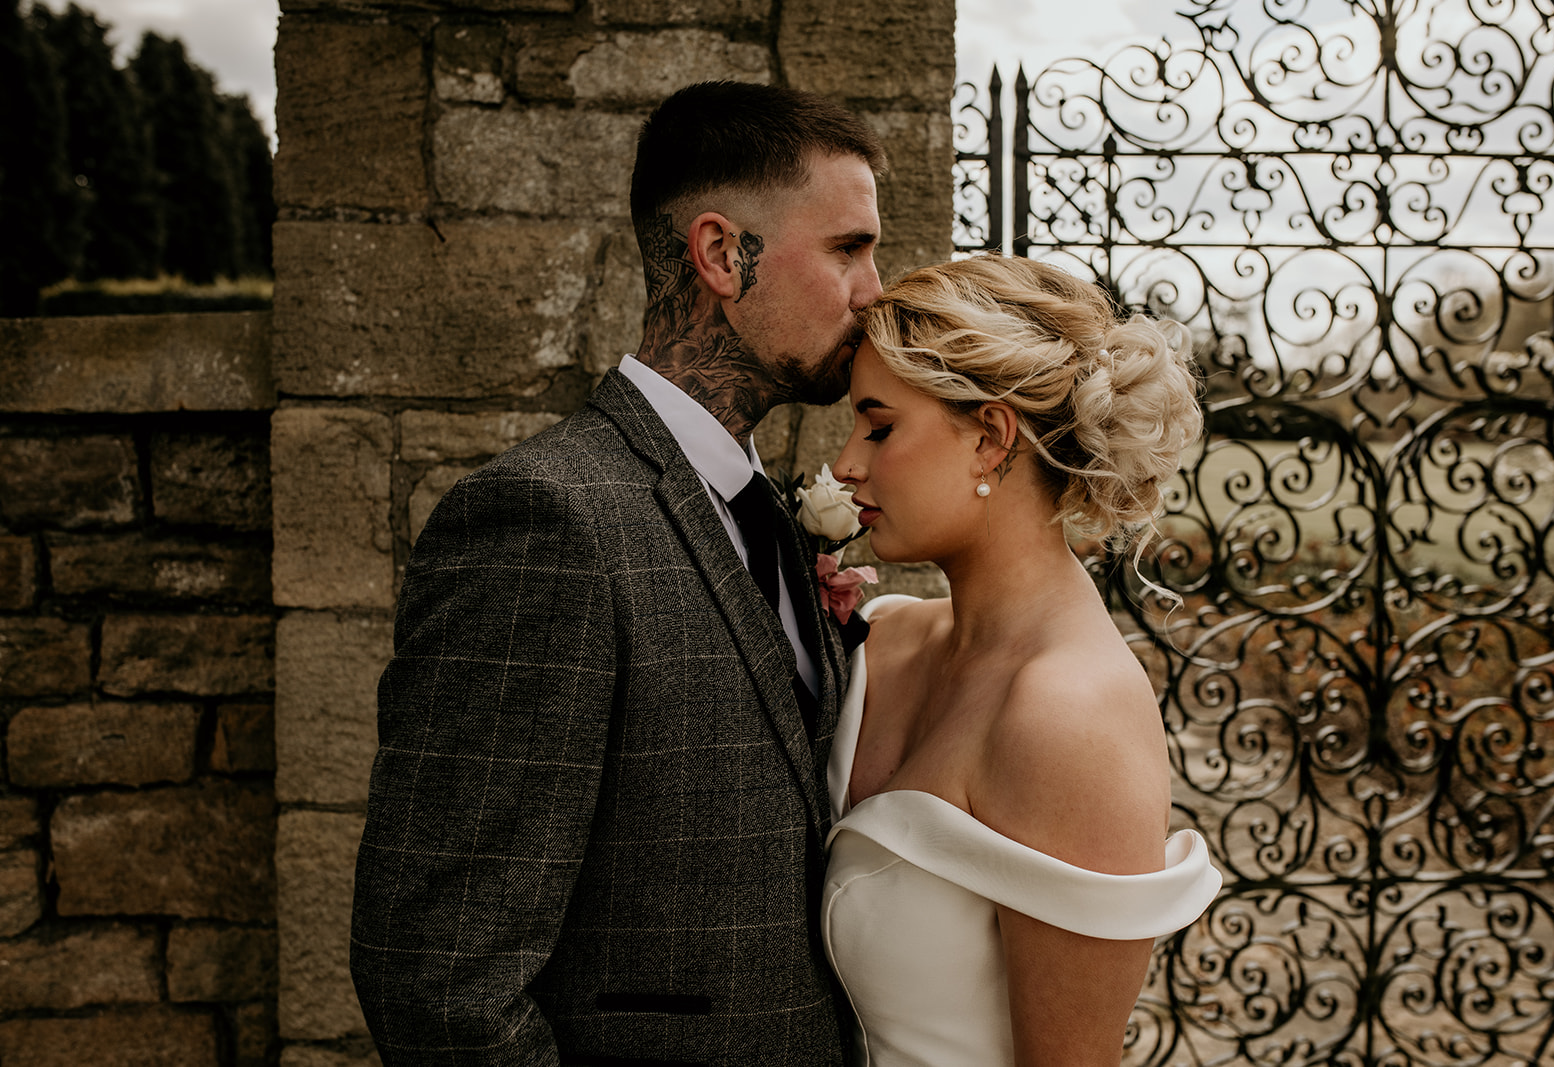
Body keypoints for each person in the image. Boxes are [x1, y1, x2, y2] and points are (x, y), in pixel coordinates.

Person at [349, 80, 886, 1065]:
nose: (875, 289)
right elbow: (439, 974)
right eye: (849, 248)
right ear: (723, 254)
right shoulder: (544, 521)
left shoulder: (770, 513)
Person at [823, 254, 1223, 1065]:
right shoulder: (887, 635)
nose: (844, 464)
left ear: (991, 440)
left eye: (880, 425)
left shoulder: (1070, 716)